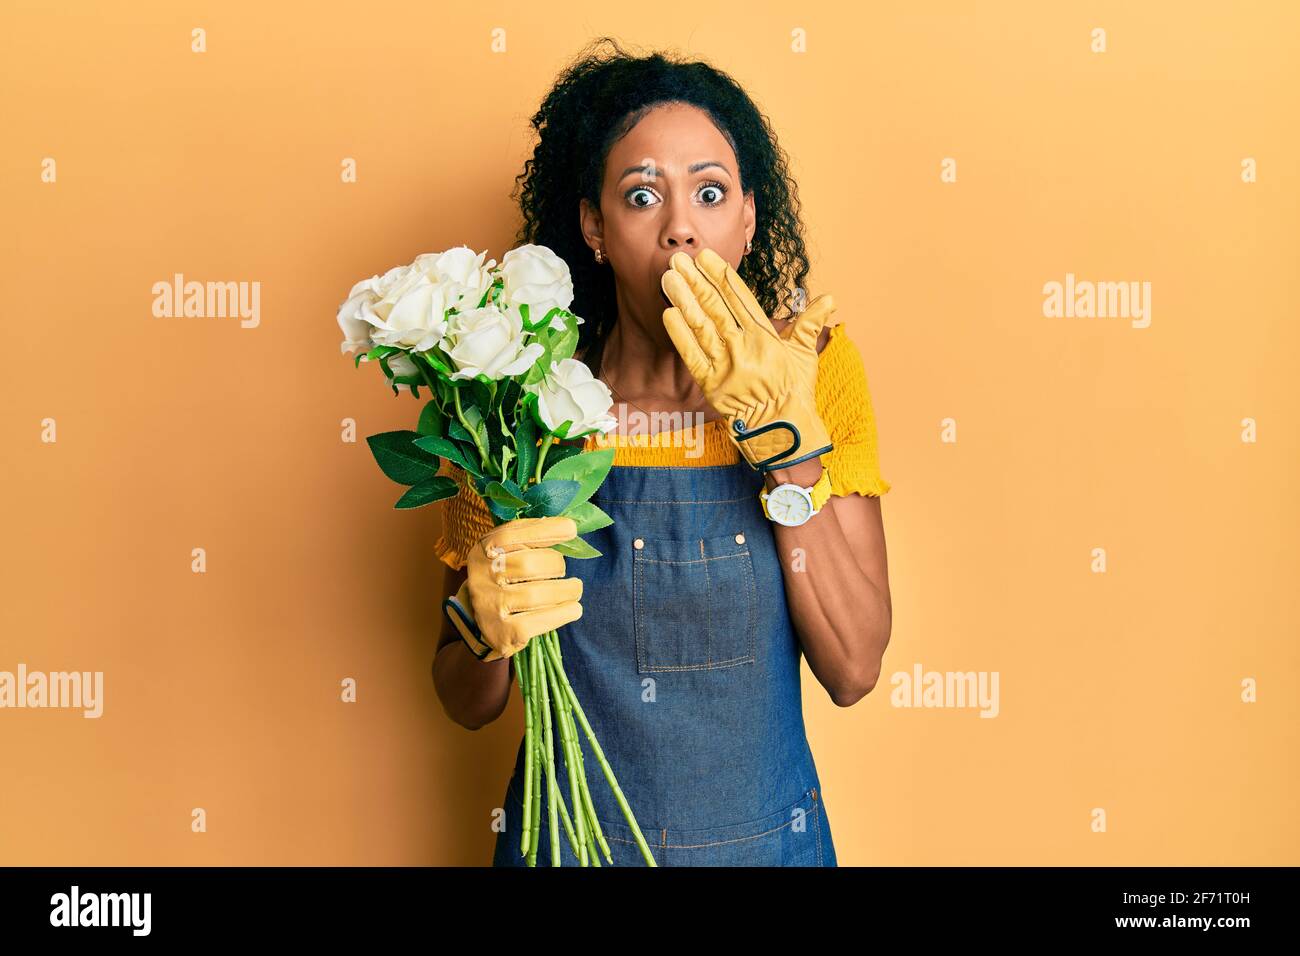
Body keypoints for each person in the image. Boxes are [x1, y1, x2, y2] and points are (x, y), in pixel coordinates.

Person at [430, 37, 892, 866]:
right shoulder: (517, 402)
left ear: (747, 221)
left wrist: (784, 444)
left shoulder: (813, 375)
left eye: (710, 193)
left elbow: (854, 667)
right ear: (594, 228)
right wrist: (476, 622)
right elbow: (468, 703)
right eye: (642, 196)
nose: (681, 228)